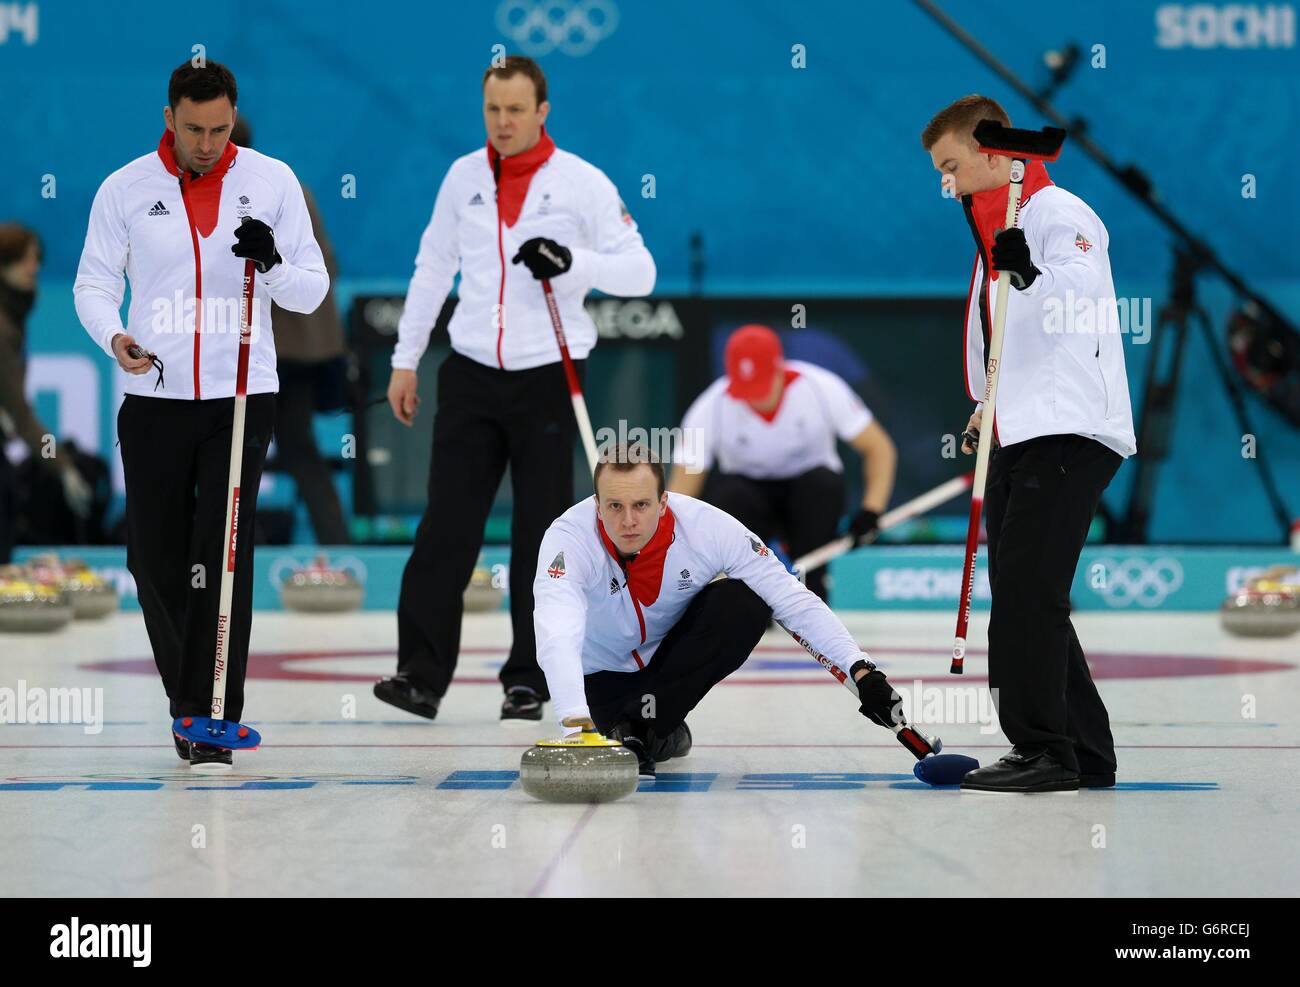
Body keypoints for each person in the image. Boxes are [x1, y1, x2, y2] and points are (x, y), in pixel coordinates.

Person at [374, 55, 656, 723]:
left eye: (516, 110)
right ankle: (419, 674)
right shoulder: (462, 177)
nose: (503, 122)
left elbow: (640, 270)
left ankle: (529, 679)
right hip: (470, 370)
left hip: (549, 373)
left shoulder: (581, 183)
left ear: (542, 111)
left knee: (541, 534)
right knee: (447, 525)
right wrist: (406, 357)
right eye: (492, 110)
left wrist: (572, 262)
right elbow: (431, 266)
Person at [74, 60, 328, 767]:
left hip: (241, 397)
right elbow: (93, 283)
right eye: (194, 129)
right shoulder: (124, 189)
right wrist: (113, 336)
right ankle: (187, 695)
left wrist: (272, 261)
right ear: (169, 118)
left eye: (219, 129)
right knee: (153, 557)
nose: (208, 143)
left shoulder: (272, 181)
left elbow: (310, 290)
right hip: (152, 396)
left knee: (221, 554)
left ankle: (209, 714)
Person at [921, 94, 1136, 793]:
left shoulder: (1057, 213)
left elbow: (1080, 300)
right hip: (1019, 429)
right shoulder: (993, 228)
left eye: (951, 165)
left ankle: (1042, 748)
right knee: (1028, 592)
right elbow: (1001, 335)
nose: (945, 182)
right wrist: (986, 406)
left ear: (991, 150)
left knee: (1026, 594)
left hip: (1067, 429)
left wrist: (1029, 271)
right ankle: (1083, 749)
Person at [532, 443, 921, 777]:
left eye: (641, 505)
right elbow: (557, 628)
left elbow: (790, 597)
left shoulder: (708, 528)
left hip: (669, 666)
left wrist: (861, 669)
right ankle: (655, 730)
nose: (628, 520)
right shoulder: (568, 539)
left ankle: (646, 724)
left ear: (664, 502)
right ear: (596, 504)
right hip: (601, 678)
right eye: (614, 506)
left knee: (744, 602)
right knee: (632, 729)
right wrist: (574, 723)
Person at [667, 324, 896, 601]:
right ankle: (748, 594)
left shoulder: (820, 387)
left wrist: (871, 511)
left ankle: (813, 588)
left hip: (808, 498)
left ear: (779, 367)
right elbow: (683, 487)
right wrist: (670, 543)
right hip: (750, 502)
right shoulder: (711, 406)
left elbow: (879, 449)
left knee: (823, 483)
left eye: (761, 383)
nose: (754, 396)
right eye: (746, 387)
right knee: (731, 495)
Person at [230, 116, 351, 545]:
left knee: (264, 447)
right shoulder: (292, 187)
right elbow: (329, 263)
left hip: (279, 346)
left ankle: (227, 546)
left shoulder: (253, 195)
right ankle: (334, 540)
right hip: (302, 344)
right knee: (291, 446)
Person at [0, 223, 93, 561]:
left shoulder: (12, 318)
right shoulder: (3, 326)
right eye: (24, 259)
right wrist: (63, 467)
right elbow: (19, 414)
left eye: (36, 258)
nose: (34, 266)